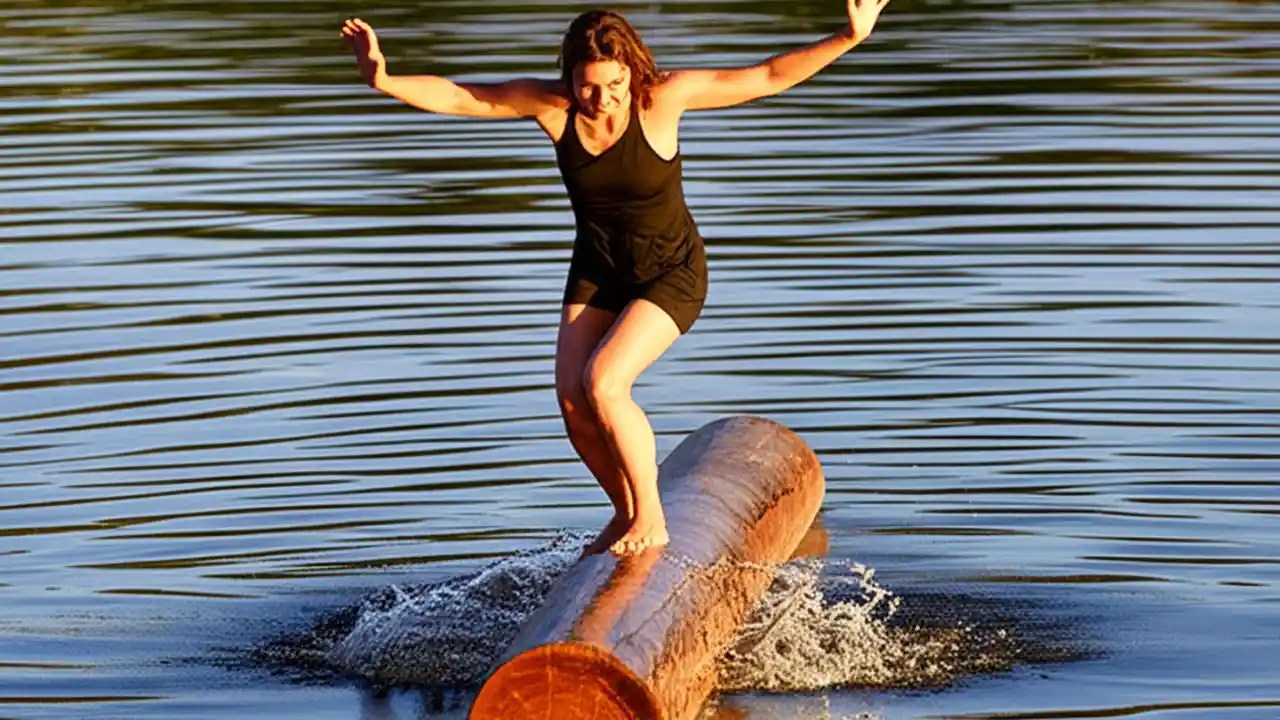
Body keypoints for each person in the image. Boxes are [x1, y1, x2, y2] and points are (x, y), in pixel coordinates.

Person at [340, 1, 890, 557]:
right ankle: (627, 512)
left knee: (604, 383)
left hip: (670, 274)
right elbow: (465, 96)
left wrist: (849, 36)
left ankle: (651, 517)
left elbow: (767, 76)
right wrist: (383, 79)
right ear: (570, 79)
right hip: (599, 271)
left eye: (613, 84)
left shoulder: (663, 99)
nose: (601, 100)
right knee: (573, 401)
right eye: (587, 87)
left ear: (632, 71)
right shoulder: (554, 108)